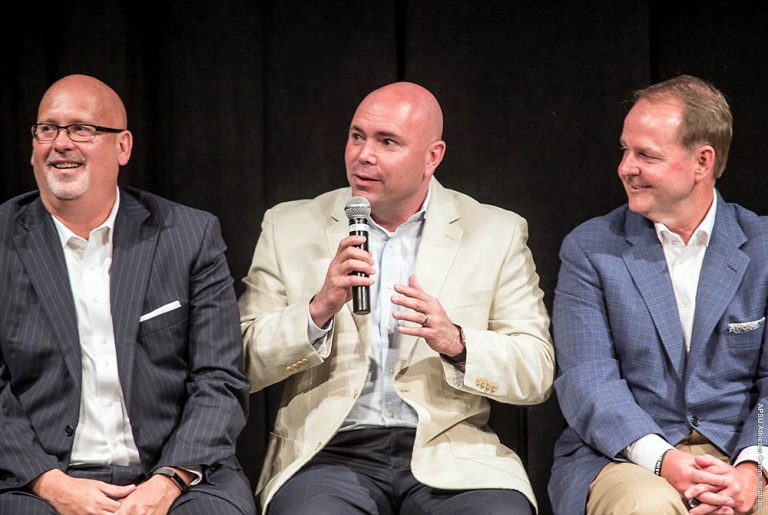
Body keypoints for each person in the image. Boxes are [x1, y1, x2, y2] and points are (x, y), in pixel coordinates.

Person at [239, 81, 554, 514]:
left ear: (432, 157)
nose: (363, 154)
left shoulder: (496, 233)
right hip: (326, 453)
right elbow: (241, 363)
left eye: (387, 142)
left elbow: (536, 370)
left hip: (452, 454)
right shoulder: (288, 226)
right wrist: (317, 311)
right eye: (356, 136)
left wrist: (457, 342)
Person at [0, 75, 255, 514]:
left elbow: (219, 380)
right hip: (37, 479)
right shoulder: (3, 237)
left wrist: (169, 480)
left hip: (174, 475)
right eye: (48, 129)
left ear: (123, 146)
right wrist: (50, 483)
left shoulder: (189, 235)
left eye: (81, 129)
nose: (61, 143)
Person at [550, 75, 768, 515]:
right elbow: (588, 379)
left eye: (646, 155)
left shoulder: (763, 247)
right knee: (643, 507)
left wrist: (752, 471)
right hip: (628, 454)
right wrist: (665, 461)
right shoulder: (591, 248)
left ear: (701, 161)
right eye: (625, 150)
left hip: (744, 450)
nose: (626, 167)